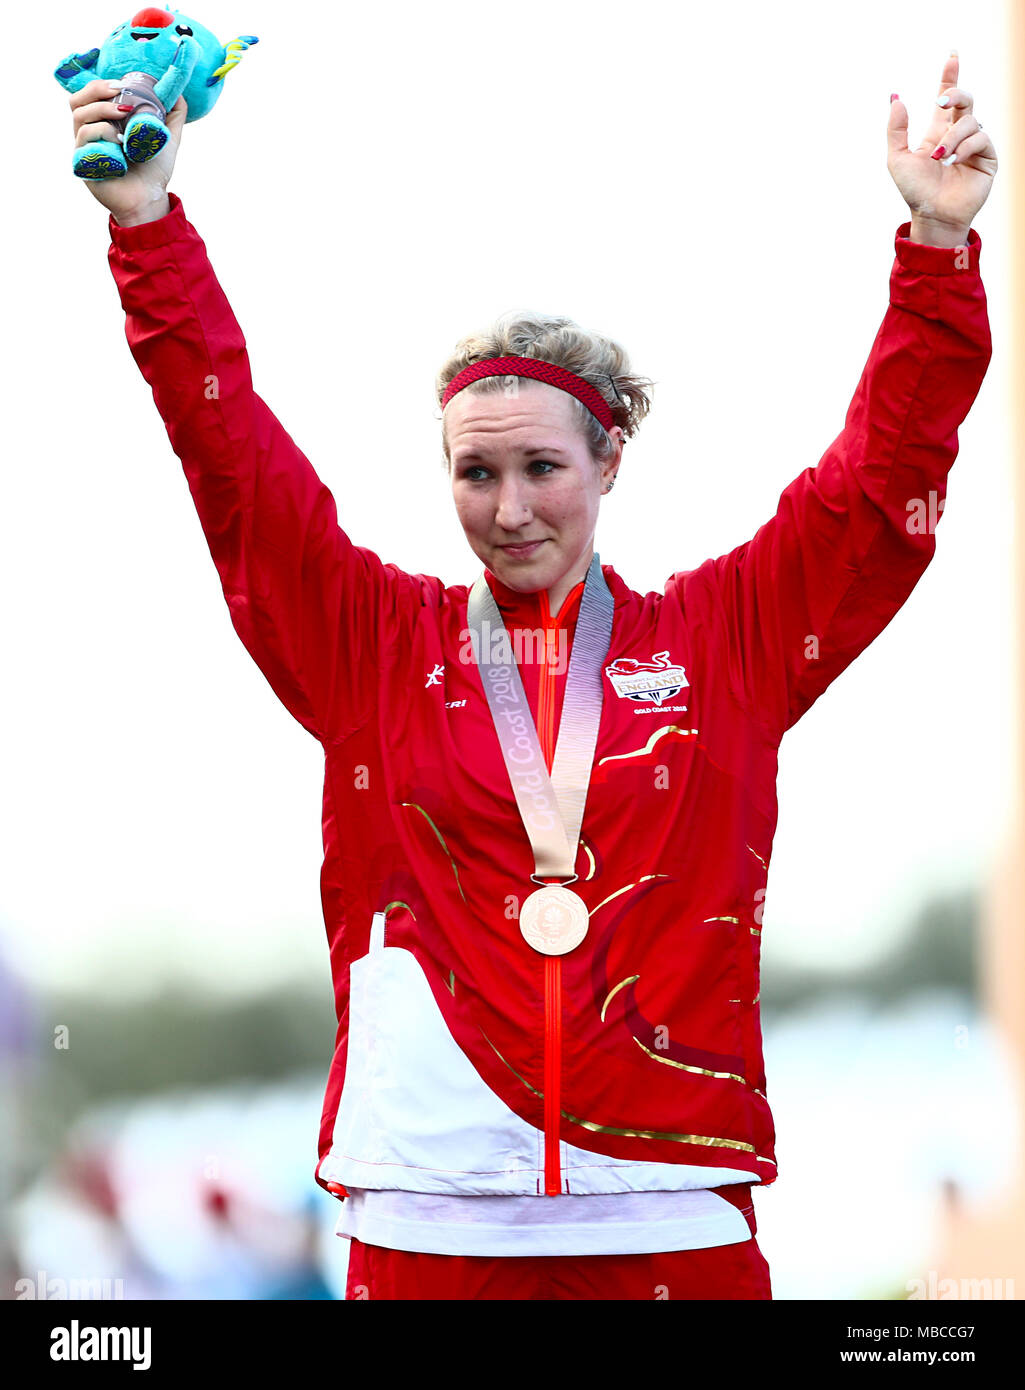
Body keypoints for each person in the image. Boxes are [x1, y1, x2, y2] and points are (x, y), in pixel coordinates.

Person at [67, 51, 996, 1301]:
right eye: (473, 473)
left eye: (539, 469)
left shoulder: (726, 637)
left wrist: (934, 252)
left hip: (671, 1209)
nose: (506, 510)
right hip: (428, 1216)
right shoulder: (370, 644)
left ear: (607, 460)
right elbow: (228, 454)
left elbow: (878, 490)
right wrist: (147, 228)